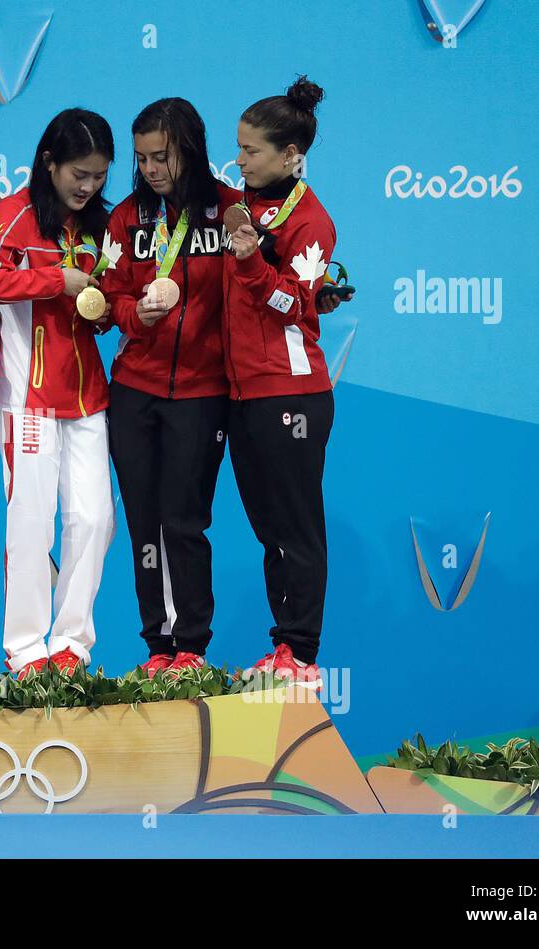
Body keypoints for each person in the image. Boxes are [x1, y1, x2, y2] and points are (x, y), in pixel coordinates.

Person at [0, 109, 117, 679]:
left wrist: (103, 307)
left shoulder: (98, 227)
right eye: (79, 173)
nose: (88, 186)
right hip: (25, 396)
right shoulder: (15, 215)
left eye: (100, 176)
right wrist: (57, 280)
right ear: (49, 164)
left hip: (87, 397)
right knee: (31, 520)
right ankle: (26, 650)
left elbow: (103, 300)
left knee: (95, 517)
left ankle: (71, 645)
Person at [100, 98, 240, 678]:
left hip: (203, 393)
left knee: (185, 520)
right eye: (142, 158)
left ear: (191, 150)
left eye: (163, 157)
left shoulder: (229, 212)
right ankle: (158, 646)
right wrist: (137, 315)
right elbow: (105, 298)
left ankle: (192, 646)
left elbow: (257, 287)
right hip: (135, 389)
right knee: (144, 522)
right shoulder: (126, 219)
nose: (152, 168)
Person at [223, 76, 336, 691]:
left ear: (290, 155)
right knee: (271, 531)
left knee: (295, 526)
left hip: (290, 391)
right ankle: (283, 648)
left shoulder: (311, 219)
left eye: (250, 151)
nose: (238, 160)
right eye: (237, 148)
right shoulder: (240, 201)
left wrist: (248, 260)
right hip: (241, 394)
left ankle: (302, 653)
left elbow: (293, 305)